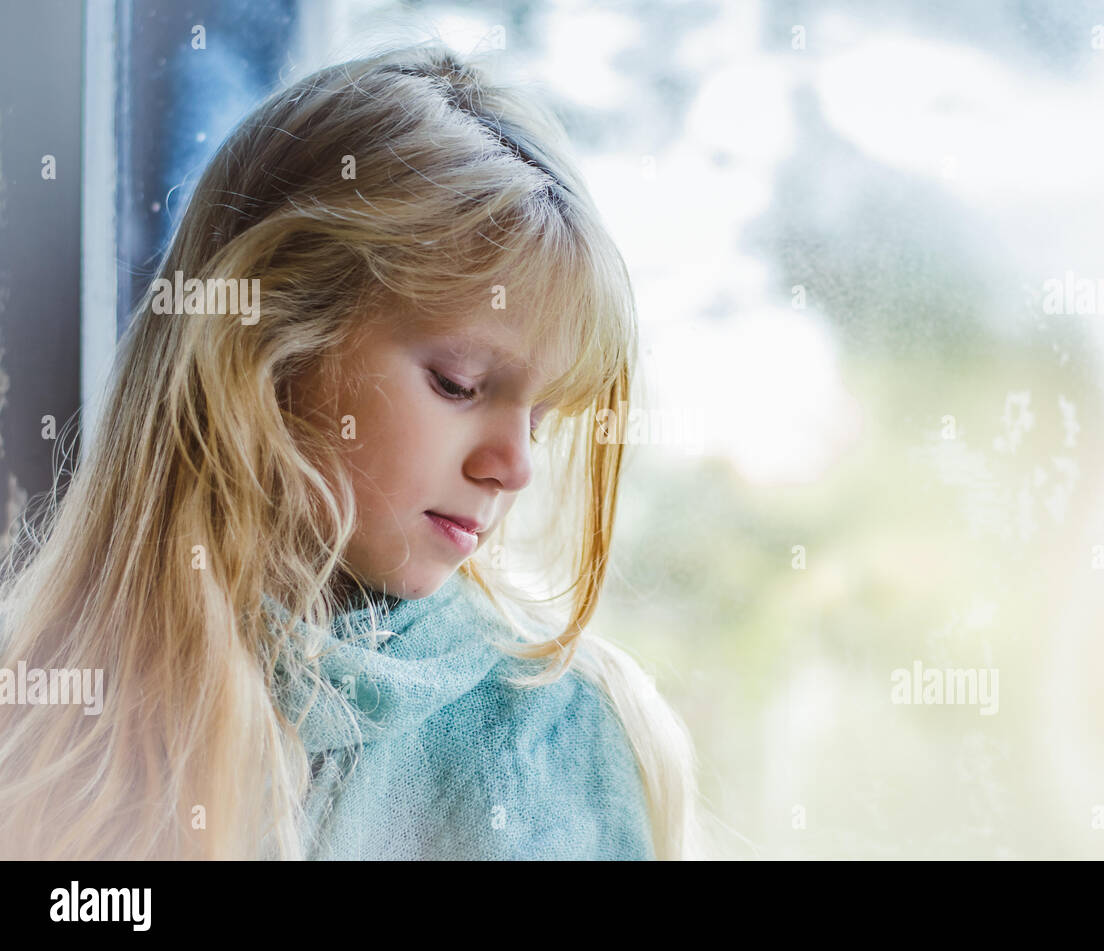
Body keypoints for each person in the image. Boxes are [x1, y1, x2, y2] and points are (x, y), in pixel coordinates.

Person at [0, 43, 702, 860]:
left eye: (541, 418)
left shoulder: (566, 738)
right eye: (458, 383)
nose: (515, 466)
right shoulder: (41, 715)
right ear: (263, 349)